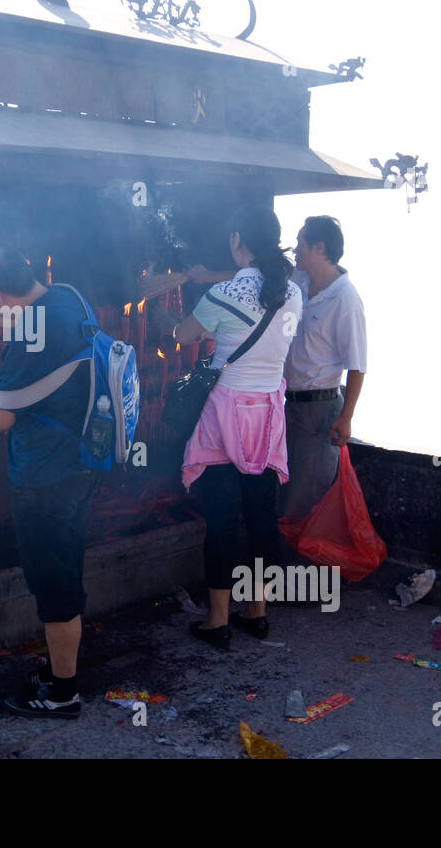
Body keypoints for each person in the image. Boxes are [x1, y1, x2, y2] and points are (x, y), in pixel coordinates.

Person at [0, 246, 98, 719]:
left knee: (53, 579)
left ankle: (62, 692)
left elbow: (1, 418)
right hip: (83, 459)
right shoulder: (68, 297)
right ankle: (58, 670)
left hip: (45, 473)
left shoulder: (31, 334)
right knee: (66, 565)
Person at [173, 207, 302, 650]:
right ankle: (259, 612)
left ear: (236, 240)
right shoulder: (294, 292)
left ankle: (218, 620)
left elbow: (183, 335)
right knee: (262, 517)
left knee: (223, 519)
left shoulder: (224, 293)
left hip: (224, 416)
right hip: (268, 415)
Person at [281, 216, 367, 521]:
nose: (295, 249)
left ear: (319, 248)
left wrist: (346, 418)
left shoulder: (345, 298)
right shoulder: (299, 280)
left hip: (319, 409)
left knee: (304, 499)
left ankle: (295, 567)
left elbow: (358, 366)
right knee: (282, 492)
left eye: (301, 242)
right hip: (285, 404)